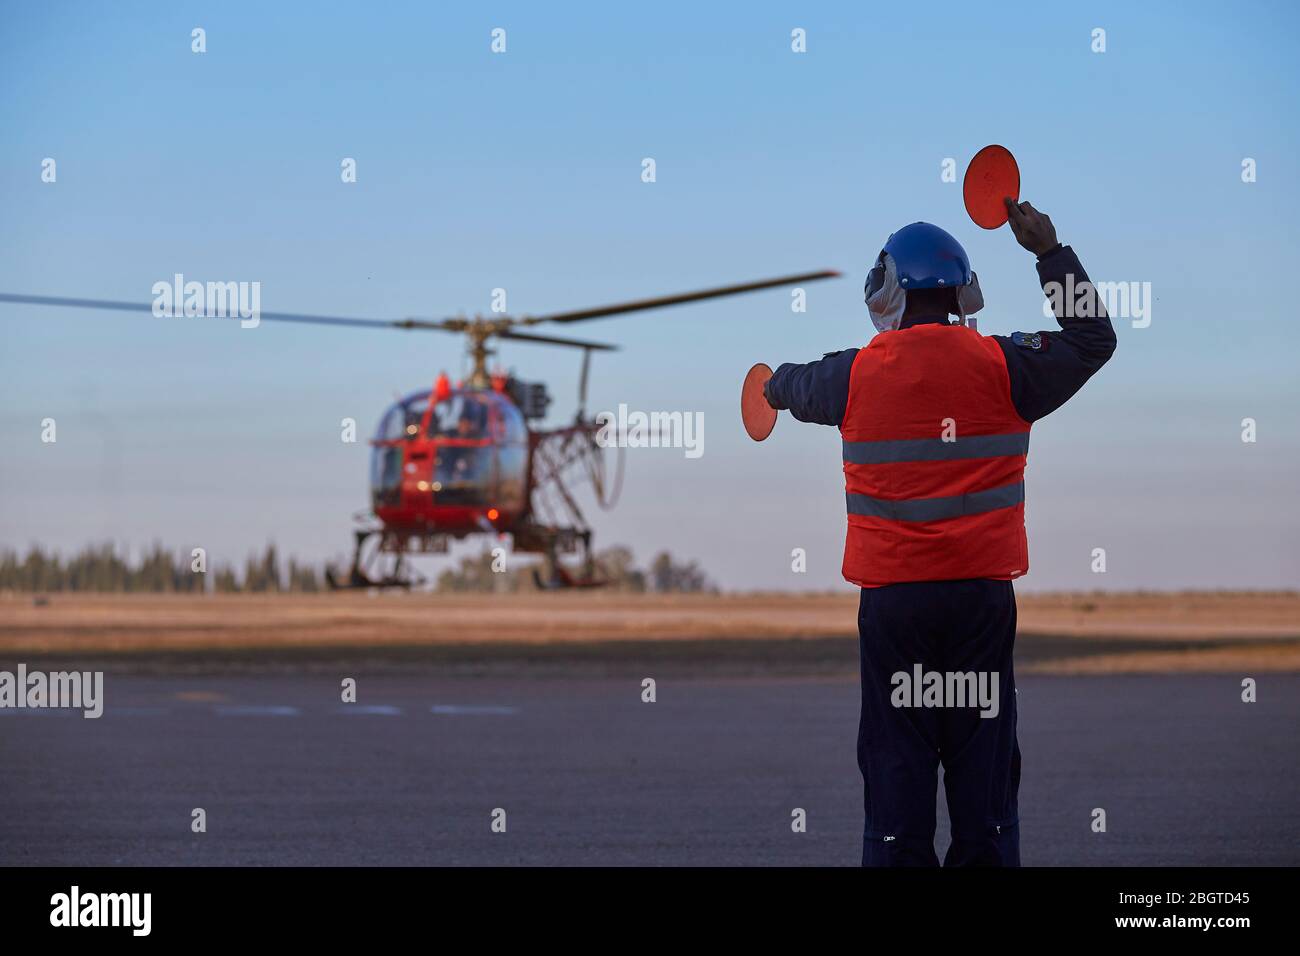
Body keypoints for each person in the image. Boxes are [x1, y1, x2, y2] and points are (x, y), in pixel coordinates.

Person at [763, 199, 1116, 866]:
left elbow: (792, 385)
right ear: (962, 290)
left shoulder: (852, 374)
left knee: (897, 774)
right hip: (980, 604)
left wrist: (770, 388)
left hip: (895, 607)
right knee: (983, 778)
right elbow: (1093, 341)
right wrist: (1050, 251)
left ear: (889, 289)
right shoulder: (1007, 365)